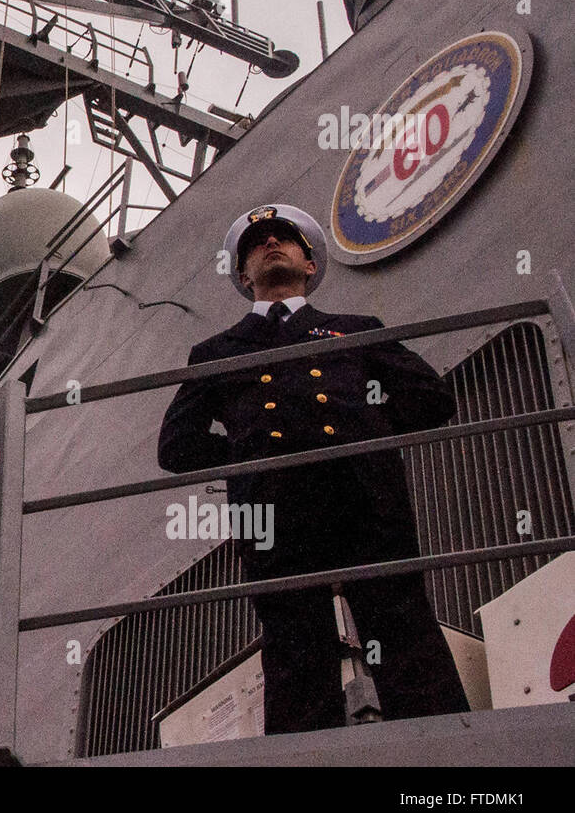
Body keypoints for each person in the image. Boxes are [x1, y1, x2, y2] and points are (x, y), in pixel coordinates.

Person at [157, 204, 469, 735]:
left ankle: (446, 752)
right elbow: (176, 446)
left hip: (365, 500)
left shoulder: (352, 331)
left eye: (284, 238)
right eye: (256, 244)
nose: (270, 244)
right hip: (274, 517)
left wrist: (365, 435)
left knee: (401, 630)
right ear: (241, 275)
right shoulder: (217, 351)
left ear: (309, 264)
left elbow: (430, 397)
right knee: (295, 650)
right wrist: (248, 455)